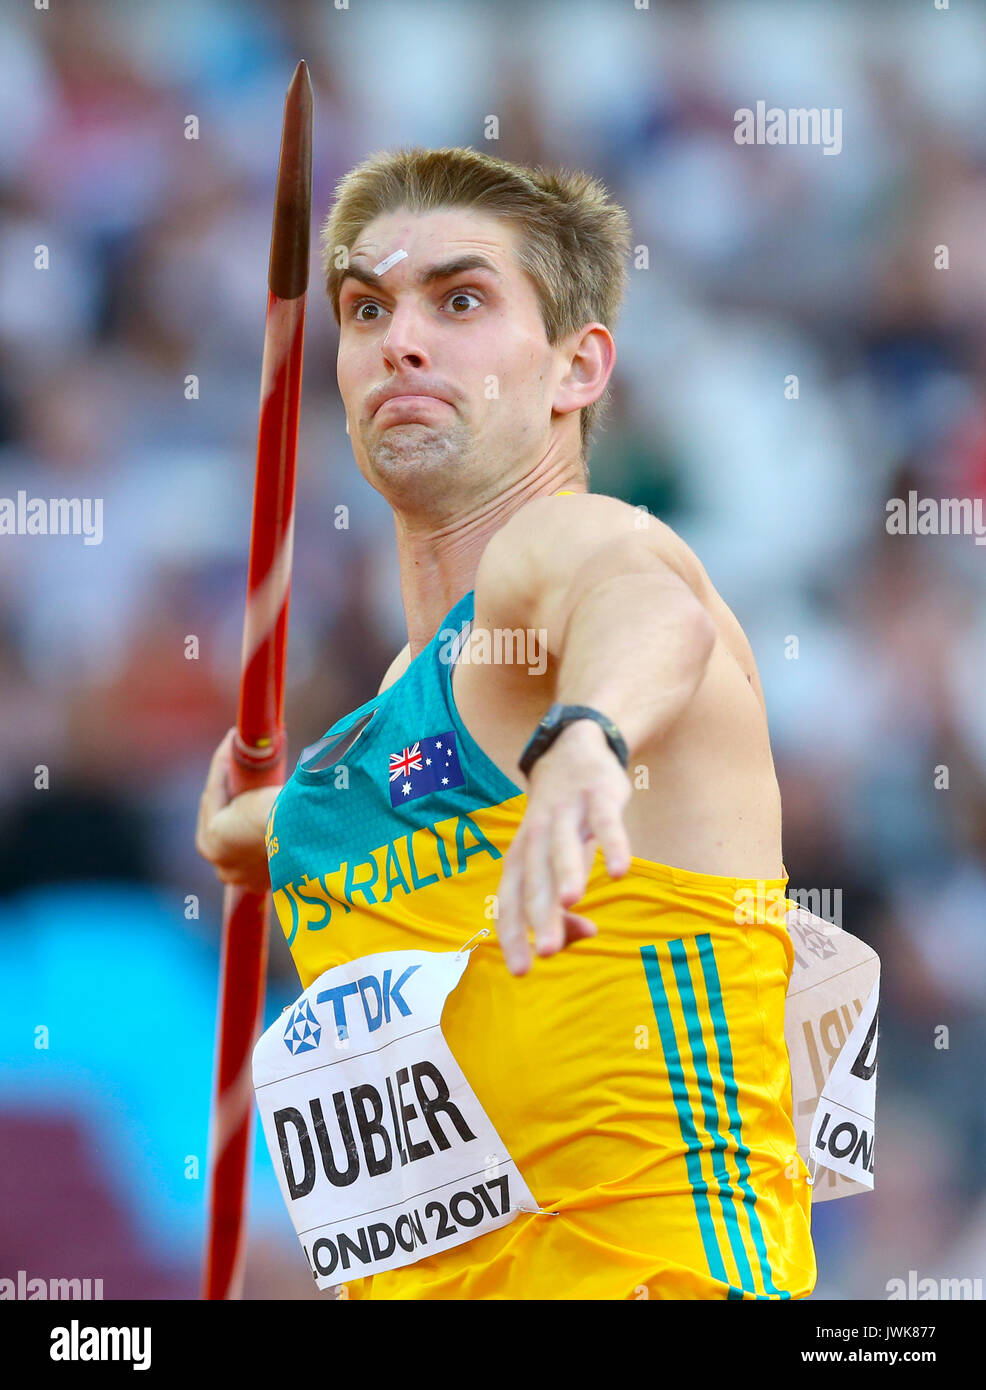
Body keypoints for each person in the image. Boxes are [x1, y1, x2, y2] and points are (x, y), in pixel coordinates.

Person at [196, 146, 816, 1300]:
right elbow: (405, 823)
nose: (402, 340)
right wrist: (256, 830)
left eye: (462, 299)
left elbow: (646, 610)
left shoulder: (568, 552)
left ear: (575, 369)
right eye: (367, 308)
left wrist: (588, 739)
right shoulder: (392, 710)